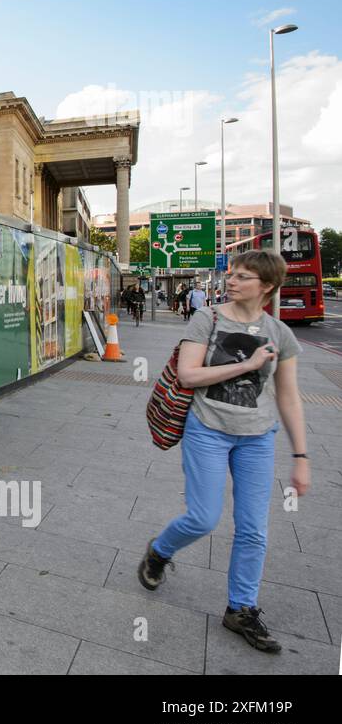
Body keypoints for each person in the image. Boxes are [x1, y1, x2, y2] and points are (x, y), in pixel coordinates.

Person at [138, 250, 311, 652]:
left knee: (253, 530)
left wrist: (301, 457)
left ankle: (241, 609)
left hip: (257, 438)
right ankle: (159, 551)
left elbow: (288, 398)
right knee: (203, 517)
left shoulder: (280, 334)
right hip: (208, 430)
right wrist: (246, 365)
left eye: (243, 276)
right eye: (231, 274)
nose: (231, 281)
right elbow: (189, 374)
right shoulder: (208, 318)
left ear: (266, 286)